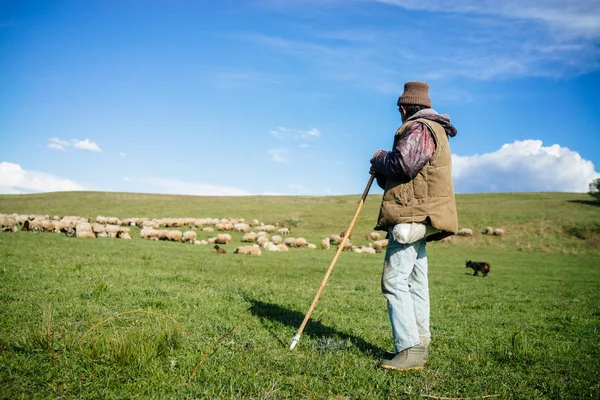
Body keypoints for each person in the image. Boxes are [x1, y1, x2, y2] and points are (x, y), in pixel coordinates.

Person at [369, 81, 458, 371]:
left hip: (411, 217)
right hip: (423, 214)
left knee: (394, 282)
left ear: (405, 107)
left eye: (400, 109)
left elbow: (403, 165)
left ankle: (408, 349)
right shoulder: (433, 129)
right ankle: (420, 341)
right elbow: (407, 176)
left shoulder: (418, 127)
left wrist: (380, 158)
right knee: (416, 280)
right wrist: (383, 169)